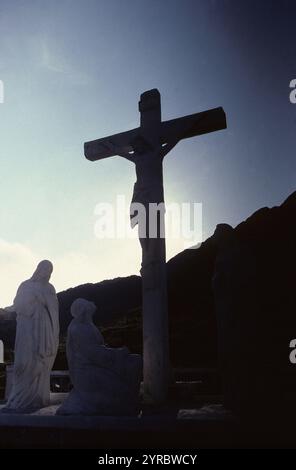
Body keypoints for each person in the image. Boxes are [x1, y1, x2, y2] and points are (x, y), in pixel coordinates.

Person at [57, 298, 142, 416]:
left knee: (134, 361)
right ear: (83, 312)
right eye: (89, 312)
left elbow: (98, 349)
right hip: (86, 372)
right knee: (121, 389)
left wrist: (115, 353)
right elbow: (93, 353)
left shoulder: (87, 325)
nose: (91, 315)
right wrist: (118, 354)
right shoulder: (78, 328)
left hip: (95, 366)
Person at [2, 260, 59, 413]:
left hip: (43, 329)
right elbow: (17, 304)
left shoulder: (49, 288)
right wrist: (32, 302)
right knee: (24, 362)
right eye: (45, 268)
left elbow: (54, 309)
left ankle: (37, 397)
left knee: (39, 362)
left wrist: (43, 301)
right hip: (26, 328)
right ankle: (19, 397)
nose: (47, 272)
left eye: (50, 270)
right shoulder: (25, 285)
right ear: (38, 269)